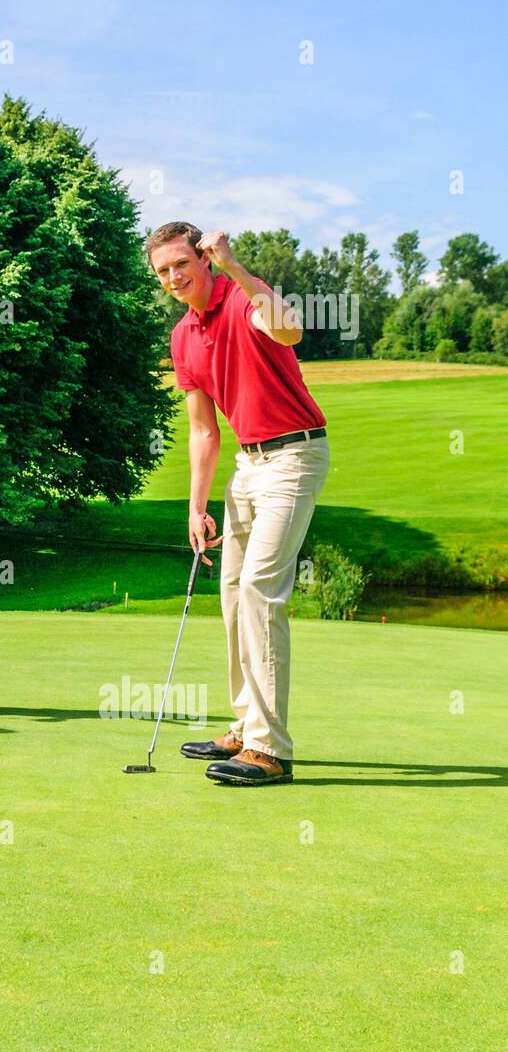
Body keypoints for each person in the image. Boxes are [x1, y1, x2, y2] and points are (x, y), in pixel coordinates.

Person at [147, 221, 330, 787]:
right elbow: (203, 431)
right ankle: (247, 724)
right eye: (163, 271)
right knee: (231, 595)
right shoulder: (183, 336)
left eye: (182, 263)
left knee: (259, 592)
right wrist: (195, 507)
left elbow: (292, 330)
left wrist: (237, 268)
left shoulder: (245, 299)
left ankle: (270, 751)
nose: (175, 277)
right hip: (247, 469)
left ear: (203, 258)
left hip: (295, 457)